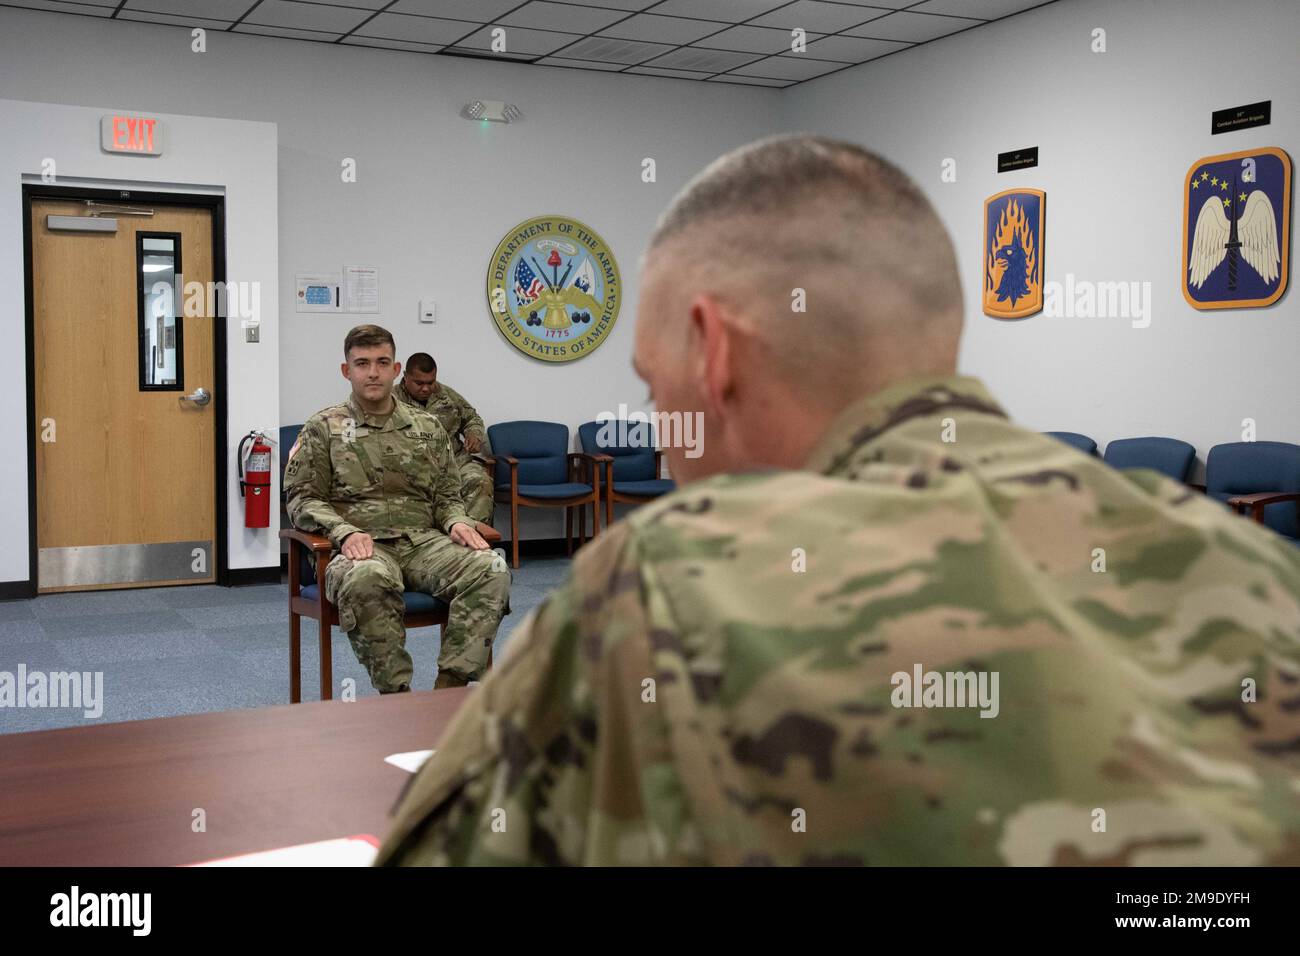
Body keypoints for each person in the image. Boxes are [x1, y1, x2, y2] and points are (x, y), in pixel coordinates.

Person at [376, 136, 1300, 865]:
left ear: (714, 351)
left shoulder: (665, 588)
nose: (662, 433)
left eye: (655, 390)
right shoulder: (1262, 573)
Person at [285, 324, 510, 692]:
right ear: (347, 370)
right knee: (365, 578)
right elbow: (302, 498)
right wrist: (344, 532)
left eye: (381, 362)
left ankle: (449, 688)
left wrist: (455, 520)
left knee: (491, 567)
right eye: (361, 363)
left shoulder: (427, 426)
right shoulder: (324, 427)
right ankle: (397, 697)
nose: (372, 372)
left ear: (396, 368)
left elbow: (447, 493)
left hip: (423, 542)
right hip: (361, 545)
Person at [394, 354, 494, 525]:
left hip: (454, 462)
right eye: (419, 383)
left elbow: (472, 418)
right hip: (412, 467)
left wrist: (473, 434)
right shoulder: (391, 400)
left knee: (481, 482)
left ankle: (473, 538)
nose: (426, 388)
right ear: (405, 376)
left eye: (430, 382)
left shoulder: (447, 395)